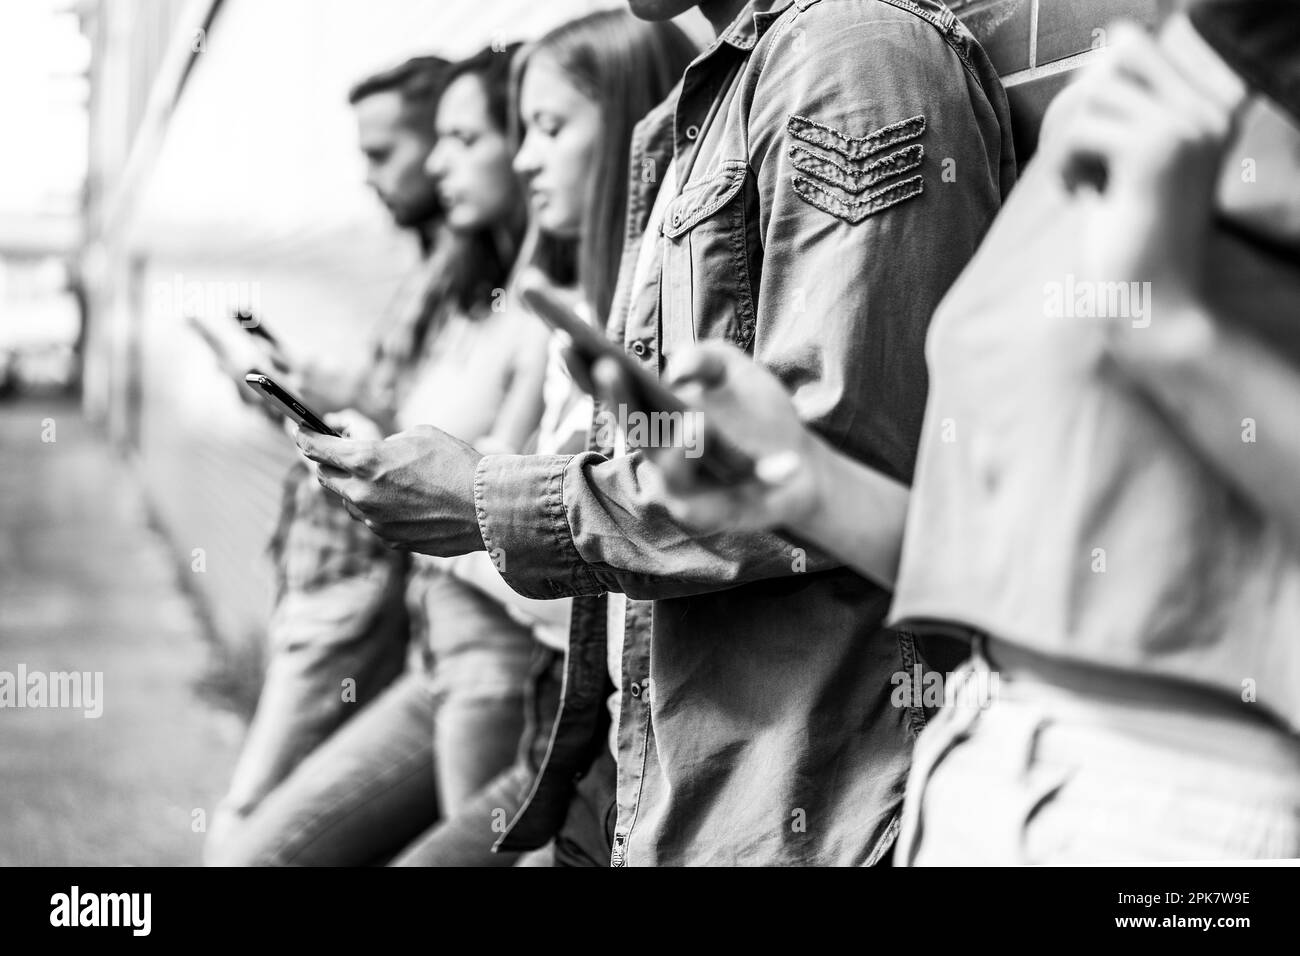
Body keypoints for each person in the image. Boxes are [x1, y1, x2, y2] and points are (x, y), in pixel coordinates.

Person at [296, 0, 1015, 866]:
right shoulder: (699, 114)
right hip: (667, 775)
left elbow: (832, 467)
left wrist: (487, 498)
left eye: (548, 128)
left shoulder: (851, 56)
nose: (526, 158)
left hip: (792, 802)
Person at [596, 1, 1300, 864]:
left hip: (1187, 823)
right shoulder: (1149, 80)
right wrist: (803, 482)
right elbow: (1037, 579)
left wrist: (1170, 323)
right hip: (979, 777)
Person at [210, 44, 550, 866]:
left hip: (482, 648)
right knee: (255, 839)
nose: (436, 166)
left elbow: (513, 497)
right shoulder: (466, 290)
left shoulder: (541, 313)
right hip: (434, 636)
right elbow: (446, 453)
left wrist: (431, 491)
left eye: (462, 139)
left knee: (255, 837)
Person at [388, 8, 698, 866]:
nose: (526, 158)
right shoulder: (566, 322)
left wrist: (450, 511)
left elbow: (592, 589)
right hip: (547, 710)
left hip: (577, 716)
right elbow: (521, 488)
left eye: (549, 128)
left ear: (642, 123)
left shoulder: (653, 332)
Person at [206, 56, 455, 853]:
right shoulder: (434, 272)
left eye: (384, 153)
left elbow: (428, 445)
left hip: (365, 589)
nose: (368, 179)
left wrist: (345, 397)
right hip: (340, 579)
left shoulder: (472, 282)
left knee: (251, 830)